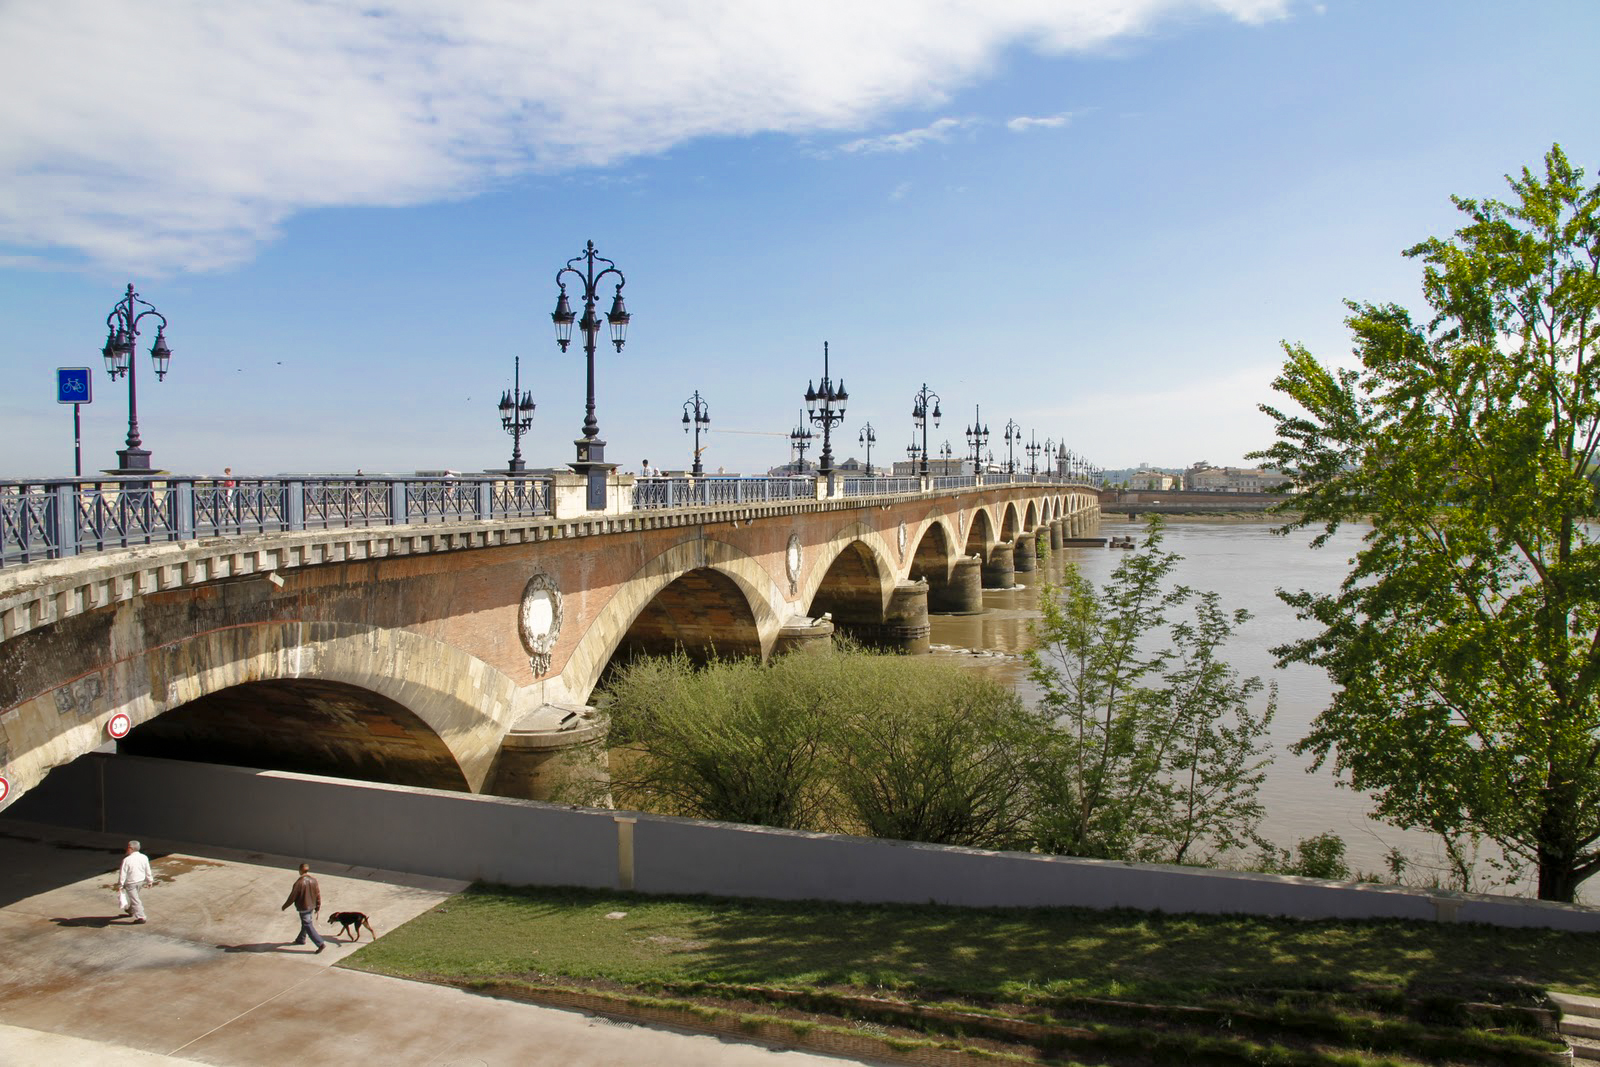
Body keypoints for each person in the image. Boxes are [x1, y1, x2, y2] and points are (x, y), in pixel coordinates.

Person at [280, 862, 325, 952]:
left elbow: (292, 897)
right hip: (311, 906)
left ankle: (320, 943)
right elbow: (318, 894)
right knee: (305, 923)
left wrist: (285, 906)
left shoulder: (299, 883)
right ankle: (301, 939)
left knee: (307, 924)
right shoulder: (314, 880)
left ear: (300, 870)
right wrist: (318, 906)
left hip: (304, 907)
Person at [119, 840, 154, 924]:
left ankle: (141, 917)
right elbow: (147, 870)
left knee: (135, 900)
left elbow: (123, 873)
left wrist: (120, 884)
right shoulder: (144, 857)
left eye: (128, 847)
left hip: (131, 883)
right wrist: (150, 880)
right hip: (140, 881)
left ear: (131, 848)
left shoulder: (127, 860)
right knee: (134, 897)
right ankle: (131, 910)